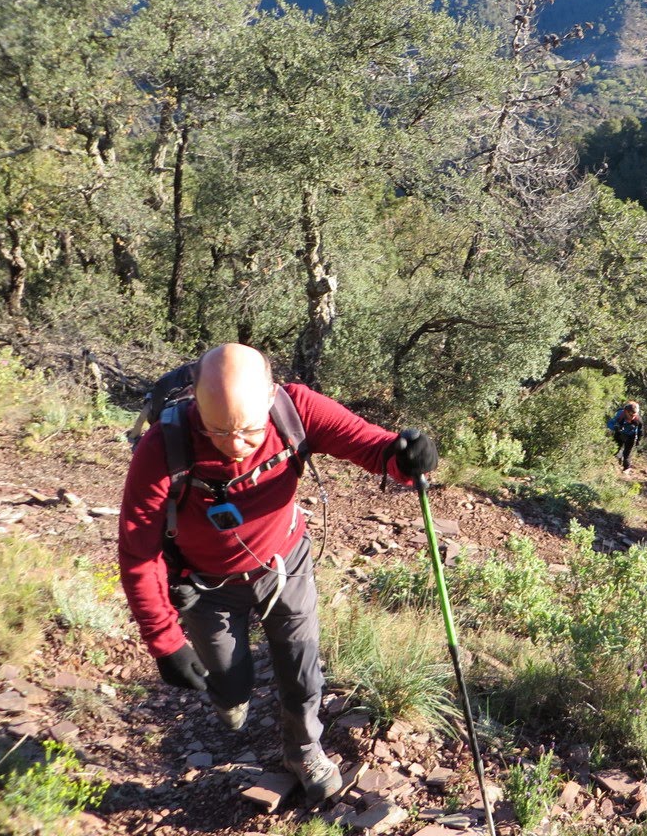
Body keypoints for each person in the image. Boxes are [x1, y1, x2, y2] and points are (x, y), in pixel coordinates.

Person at [118, 344, 437, 805]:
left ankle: (304, 750)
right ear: (195, 403)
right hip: (207, 585)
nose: (234, 444)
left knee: (302, 671)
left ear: (270, 396)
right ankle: (232, 697)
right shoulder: (163, 446)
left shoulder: (296, 408)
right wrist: (165, 642)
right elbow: (137, 552)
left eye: (248, 430)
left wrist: (405, 459)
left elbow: (370, 446)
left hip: (285, 564)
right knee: (229, 685)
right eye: (217, 429)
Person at [609, 400, 643, 472]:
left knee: (627, 454)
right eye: (631, 415)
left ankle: (626, 468)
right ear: (626, 411)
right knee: (614, 450)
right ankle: (614, 462)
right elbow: (609, 423)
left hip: (631, 436)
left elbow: (640, 431)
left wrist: (638, 441)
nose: (632, 417)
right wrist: (615, 427)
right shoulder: (620, 414)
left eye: (634, 415)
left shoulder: (638, 420)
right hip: (619, 434)